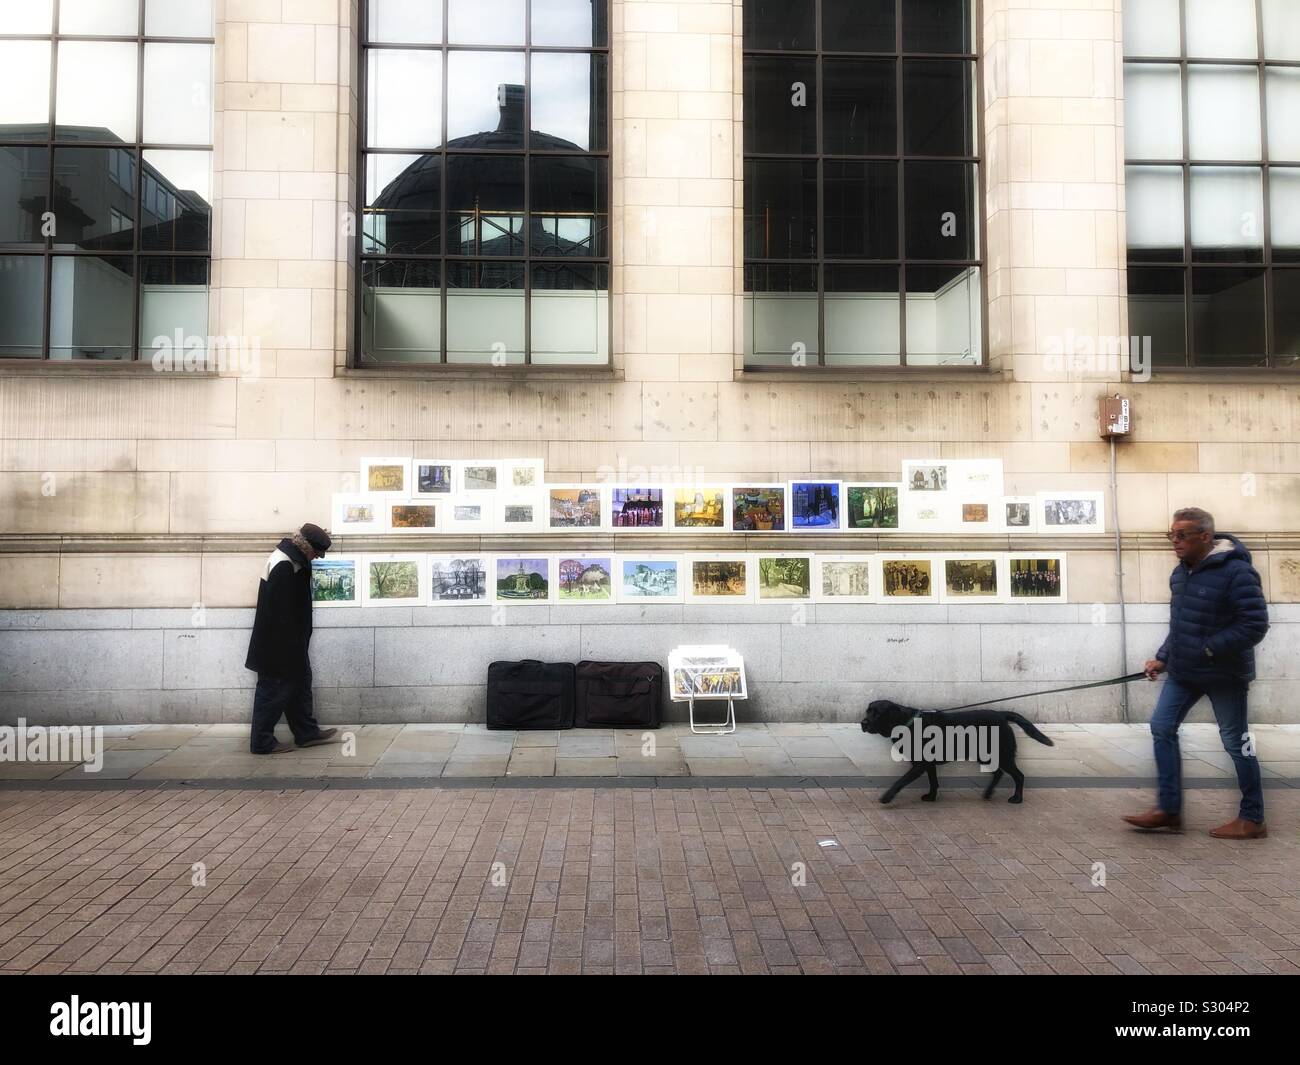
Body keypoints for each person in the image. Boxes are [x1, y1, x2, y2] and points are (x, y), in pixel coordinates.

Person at [1123, 508, 1270, 839]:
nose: (1174, 541)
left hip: (1225, 674)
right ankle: (1169, 810)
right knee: (1161, 727)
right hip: (1184, 672)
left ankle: (1253, 818)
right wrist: (1162, 658)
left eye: (1181, 535)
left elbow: (1255, 624)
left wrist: (1209, 648)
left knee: (1236, 741)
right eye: (1171, 535)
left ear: (1205, 536)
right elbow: (1180, 625)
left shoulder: (1237, 573)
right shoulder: (1181, 573)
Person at [245, 523, 340, 754]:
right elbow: (280, 613)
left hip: (290, 643)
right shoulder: (285, 565)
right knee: (273, 691)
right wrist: (291, 648)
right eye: (316, 553)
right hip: (278, 647)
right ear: (306, 547)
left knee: (299, 686)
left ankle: (306, 732)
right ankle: (262, 742)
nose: (317, 558)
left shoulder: (293, 560)